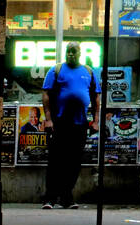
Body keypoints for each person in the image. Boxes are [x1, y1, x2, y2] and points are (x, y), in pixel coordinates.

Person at [41, 42, 100, 209]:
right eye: (68, 52)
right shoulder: (56, 70)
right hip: (59, 123)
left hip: (80, 124)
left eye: (74, 52)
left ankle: (67, 197)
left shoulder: (88, 71)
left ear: (80, 53)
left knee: (74, 162)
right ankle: (50, 198)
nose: (70, 55)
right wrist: (48, 119)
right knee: (56, 161)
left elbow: (96, 98)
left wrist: (95, 121)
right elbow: (46, 95)